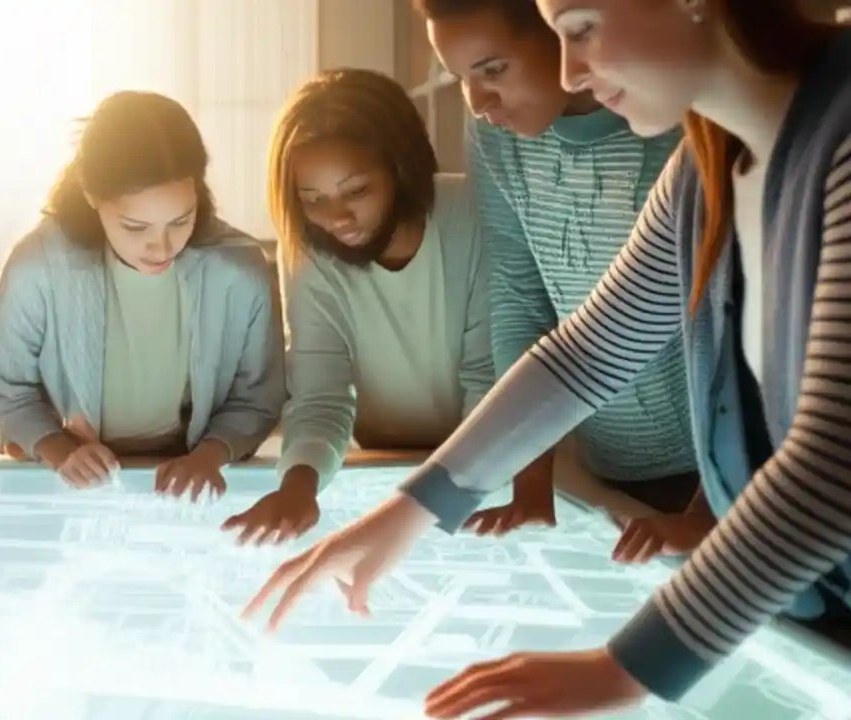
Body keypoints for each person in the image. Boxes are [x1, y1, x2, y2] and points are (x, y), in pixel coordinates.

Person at [244, 0, 851, 716]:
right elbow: (587, 352)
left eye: (581, 28)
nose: (571, 71)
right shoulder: (708, 152)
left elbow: (830, 463)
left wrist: (626, 667)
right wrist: (410, 512)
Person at [423, 0, 708, 559]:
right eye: (460, 79)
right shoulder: (497, 136)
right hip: (616, 466)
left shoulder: (681, 129)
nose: (478, 103)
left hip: (724, 470)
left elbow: (738, 339)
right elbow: (519, 297)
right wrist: (530, 486)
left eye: (493, 69)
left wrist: (712, 505)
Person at [221, 68, 492, 545]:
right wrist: (299, 487)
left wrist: (450, 496)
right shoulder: (310, 249)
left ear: (401, 168)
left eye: (356, 191)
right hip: (387, 460)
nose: (335, 218)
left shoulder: (474, 212)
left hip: (492, 459)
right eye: (312, 198)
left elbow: (488, 380)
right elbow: (321, 392)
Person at [0, 91, 284, 500]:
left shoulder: (239, 270)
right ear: (90, 193)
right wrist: (59, 450)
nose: (162, 247)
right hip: (67, 473)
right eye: (135, 227)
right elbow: (7, 394)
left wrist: (209, 457)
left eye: (181, 220)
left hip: (186, 465)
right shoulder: (37, 267)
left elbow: (258, 398)